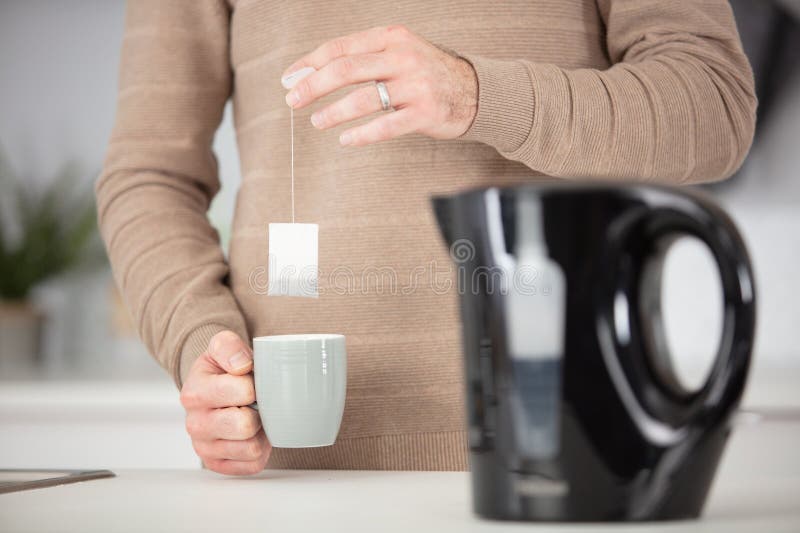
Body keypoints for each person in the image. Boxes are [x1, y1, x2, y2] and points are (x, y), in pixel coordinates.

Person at [97, 0, 756, 475]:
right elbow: (149, 175)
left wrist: (479, 94)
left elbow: (715, 102)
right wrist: (198, 343)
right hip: (298, 477)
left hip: (576, 458)